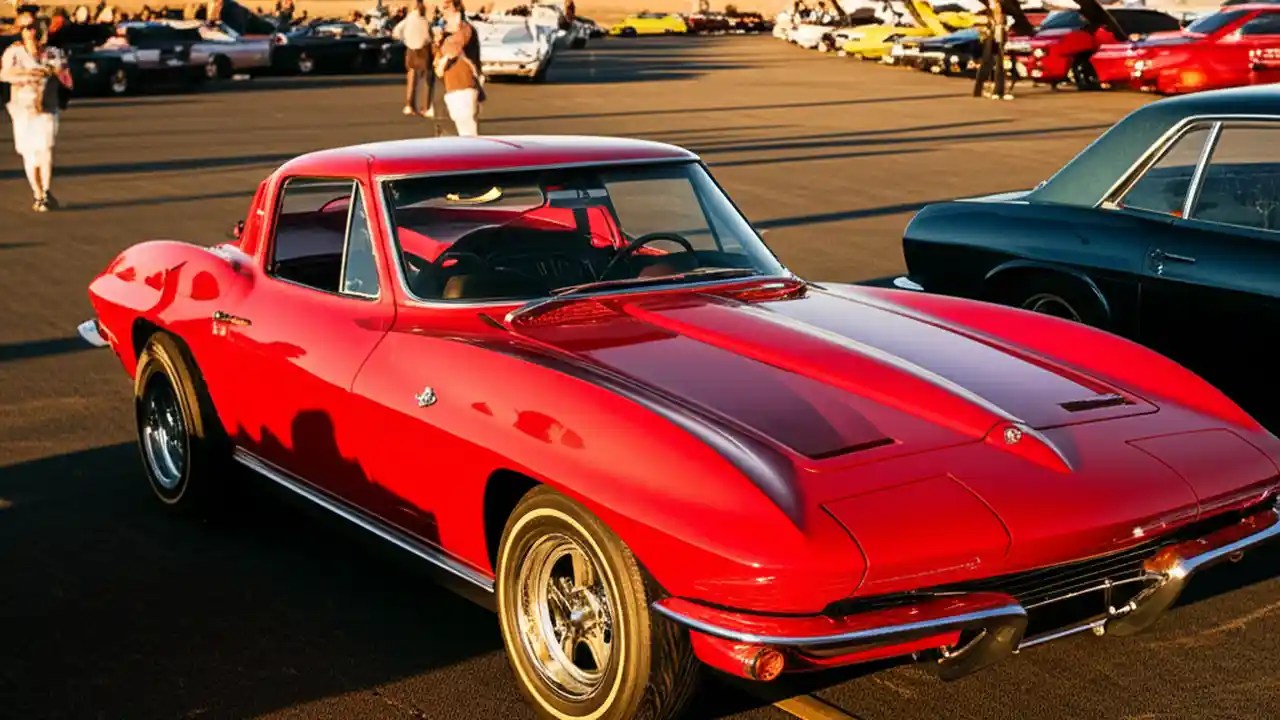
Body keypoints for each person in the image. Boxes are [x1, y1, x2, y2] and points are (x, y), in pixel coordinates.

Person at [2, 12, 73, 212]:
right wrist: (27, 74)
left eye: (33, 27)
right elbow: (4, 74)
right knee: (30, 154)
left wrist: (54, 71)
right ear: (20, 32)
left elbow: (66, 75)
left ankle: (47, 192)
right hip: (23, 109)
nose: (31, 32)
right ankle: (37, 192)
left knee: (46, 148)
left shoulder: (52, 52)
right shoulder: (13, 53)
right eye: (26, 28)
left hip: (46, 107)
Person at [434, 0, 483, 136]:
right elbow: (437, 57)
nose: (444, 11)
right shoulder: (446, 33)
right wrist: (439, 42)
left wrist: (443, 58)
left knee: (468, 132)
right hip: (452, 86)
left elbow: (454, 48)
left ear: (458, 9)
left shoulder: (465, 29)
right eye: (443, 8)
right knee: (462, 128)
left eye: (447, 7)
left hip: (465, 85)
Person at [393, 0, 434, 117]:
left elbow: (396, 32)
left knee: (411, 79)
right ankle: (426, 107)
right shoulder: (424, 20)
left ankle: (409, 105)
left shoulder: (407, 20)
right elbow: (428, 36)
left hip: (411, 50)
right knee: (427, 80)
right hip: (423, 50)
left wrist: (405, 40)